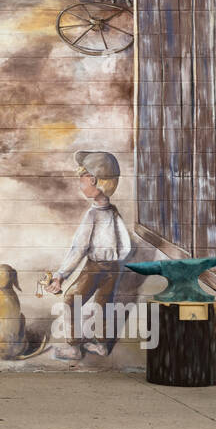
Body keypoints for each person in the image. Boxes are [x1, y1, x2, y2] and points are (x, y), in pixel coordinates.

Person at [41, 151, 133, 361]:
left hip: (96, 267)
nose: (80, 186)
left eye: (81, 181)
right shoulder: (113, 211)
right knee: (104, 303)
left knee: (71, 300)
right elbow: (124, 244)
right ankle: (102, 345)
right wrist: (117, 260)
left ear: (92, 180)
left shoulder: (92, 215)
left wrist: (61, 275)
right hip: (114, 267)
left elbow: (79, 248)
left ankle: (74, 347)